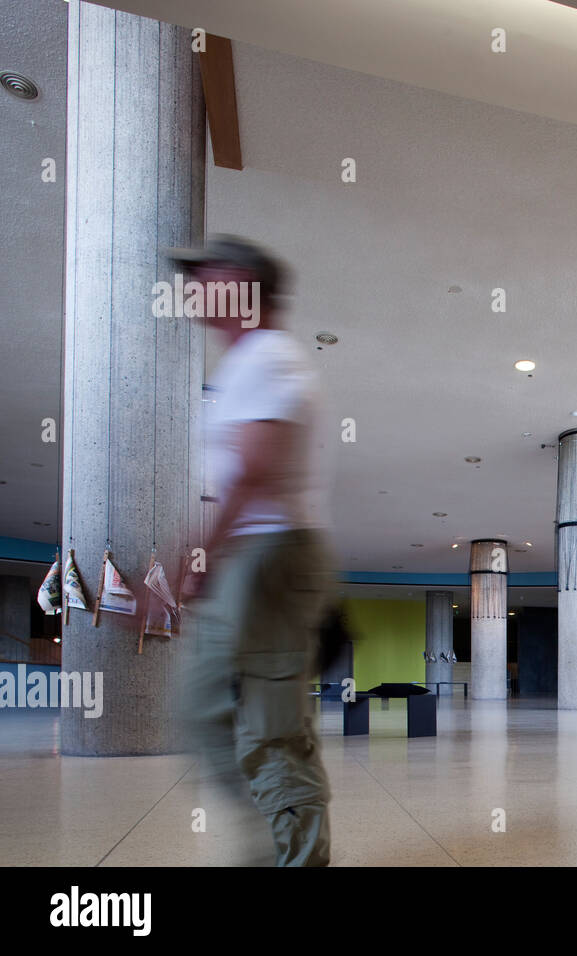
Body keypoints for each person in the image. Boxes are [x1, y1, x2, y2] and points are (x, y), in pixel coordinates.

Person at [173, 236, 334, 867]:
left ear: (242, 283)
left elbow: (254, 471)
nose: (191, 288)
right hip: (251, 555)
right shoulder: (244, 364)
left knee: (272, 733)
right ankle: (277, 839)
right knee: (205, 709)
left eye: (203, 275)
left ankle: (294, 855)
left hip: (271, 553)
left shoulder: (268, 355)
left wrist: (198, 556)